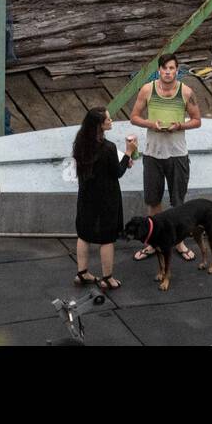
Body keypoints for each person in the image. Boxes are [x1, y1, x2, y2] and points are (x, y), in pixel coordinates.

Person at [128, 52, 202, 262]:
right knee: (153, 200)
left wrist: (181, 125)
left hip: (177, 153)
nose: (168, 72)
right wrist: (151, 124)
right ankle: (153, 241)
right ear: (158, 70)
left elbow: (197, 120)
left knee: (178, 201)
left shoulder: (186, 92)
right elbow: (133, 117)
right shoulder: (147, 90)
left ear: (177, 71)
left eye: (172, 69)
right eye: (164, 68)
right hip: (153, 153)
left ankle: (178, 241)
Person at [72, 106, 137, 291]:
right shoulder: (108, 148)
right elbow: (117, 172)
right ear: (100, 125)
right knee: (107, 238)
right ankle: (107, 278)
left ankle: (82, 273)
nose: (111, 121)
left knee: (84, 234)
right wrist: (128, 153)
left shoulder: (80, 143)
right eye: (108, 120)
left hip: (86, 195)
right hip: (106, 198)